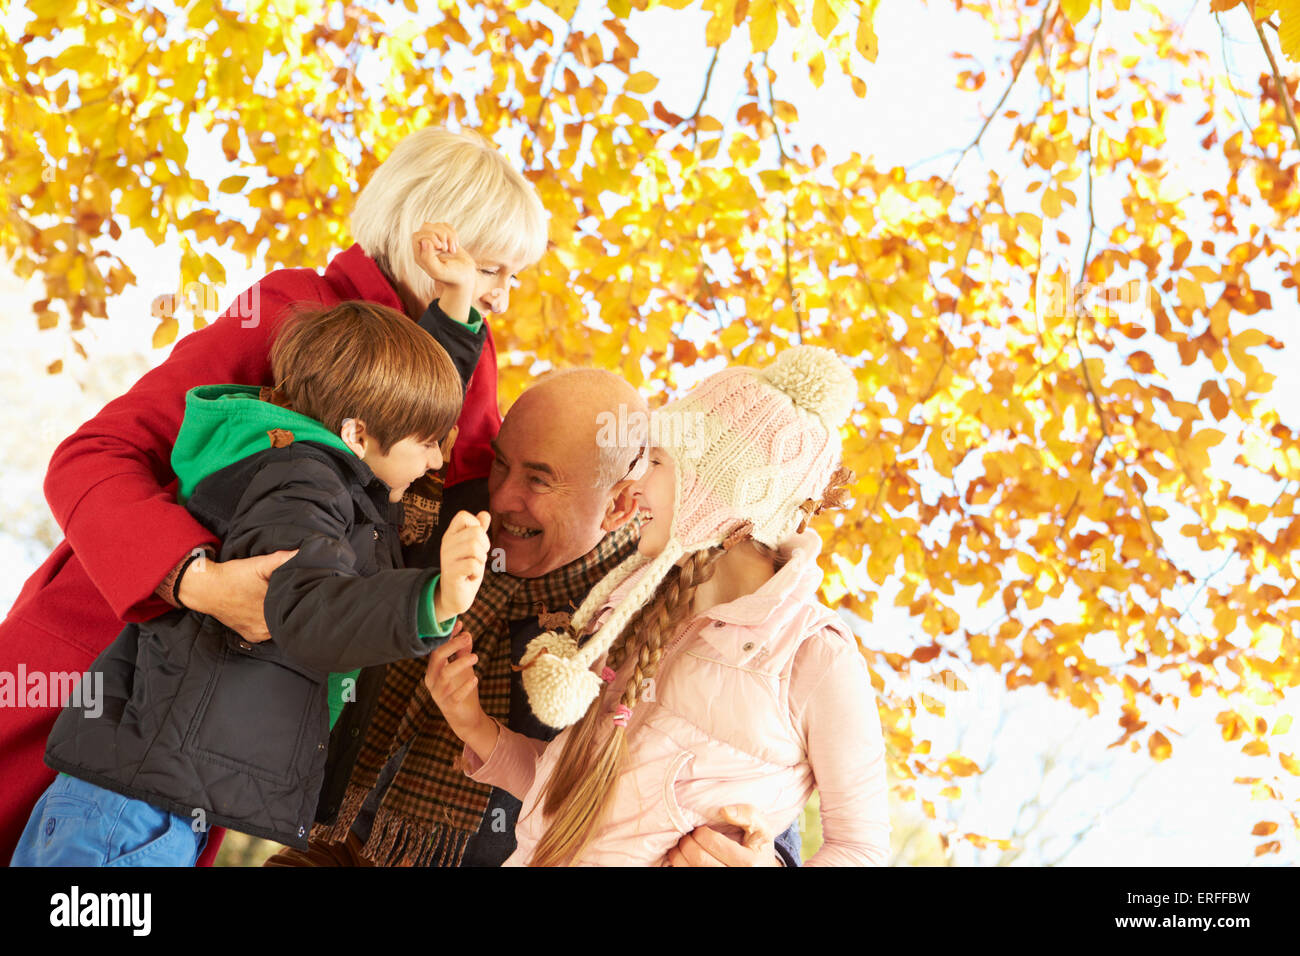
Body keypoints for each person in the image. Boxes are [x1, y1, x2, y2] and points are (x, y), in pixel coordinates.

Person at [0, 126, 546, 864]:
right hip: (116, 645)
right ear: (435, 244)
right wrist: (193, 578)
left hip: (218, 710)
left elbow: (477, 491)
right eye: (493, 268)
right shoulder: (298, 308)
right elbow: (92, 456)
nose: (501, 296)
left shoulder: (463, 361)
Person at [11, 300, 493, 866]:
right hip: (136, 812)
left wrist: (456, 315)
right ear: (357, 434)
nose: (438, 460)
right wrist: (432, 600)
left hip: (147, 799)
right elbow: (307, 604)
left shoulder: (336, 485)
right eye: (429, 441)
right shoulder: (303, 485)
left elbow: (400, 415)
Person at [279, 368, 805, 867]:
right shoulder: (439, 511)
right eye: (502, 463)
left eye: (539, 480)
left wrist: (766, 858)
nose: (503, 496)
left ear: (620, 501)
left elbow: (745, 754)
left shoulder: (655, 605)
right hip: (336, 840)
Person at [430, 346, 891, 865]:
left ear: (717, 492)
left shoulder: (813, 657)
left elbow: (861, 847)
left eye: (655, 463)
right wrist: (474, 726)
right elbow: (571, 803)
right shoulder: (639, 614)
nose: (633, 486)